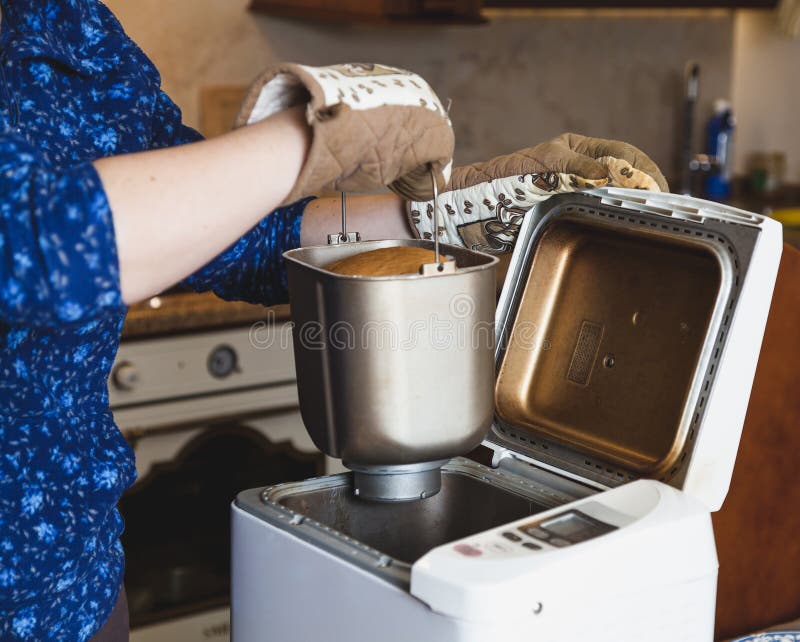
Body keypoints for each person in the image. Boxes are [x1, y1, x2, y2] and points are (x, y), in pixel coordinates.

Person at [0, 1, 667, 640]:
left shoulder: (65, 20)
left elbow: (241, 235)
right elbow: (38, 241)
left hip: (79, 586)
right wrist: (307, 136)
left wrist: (461, 208)